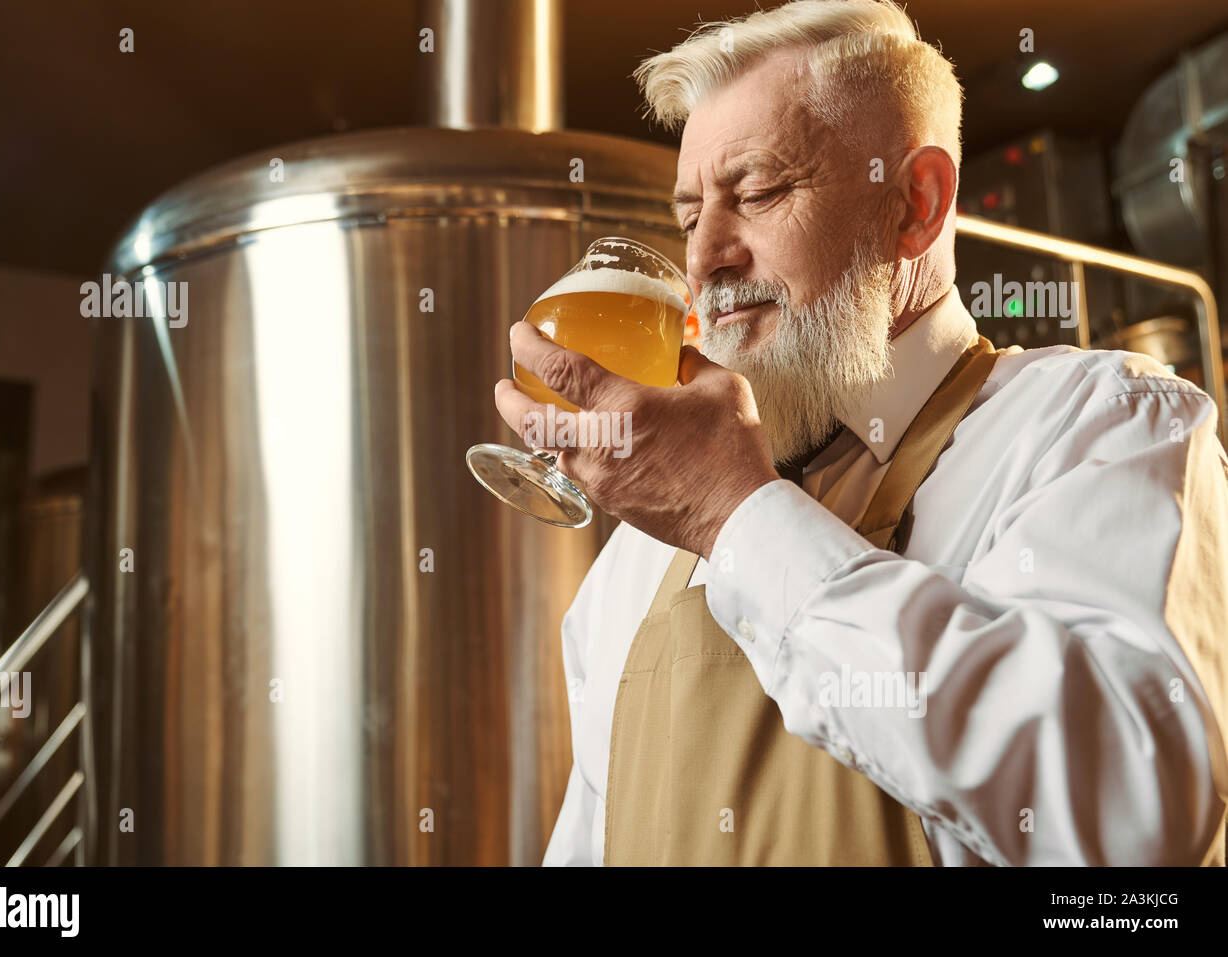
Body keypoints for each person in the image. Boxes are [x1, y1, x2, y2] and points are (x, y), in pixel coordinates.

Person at [494, 0, 1228, 866]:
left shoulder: (1100, 424)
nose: (704, 260)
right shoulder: (635, 558)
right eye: (691, 215)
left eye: (758, 191)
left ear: (916, 204)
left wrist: (736, 514)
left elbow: (1136, 813)